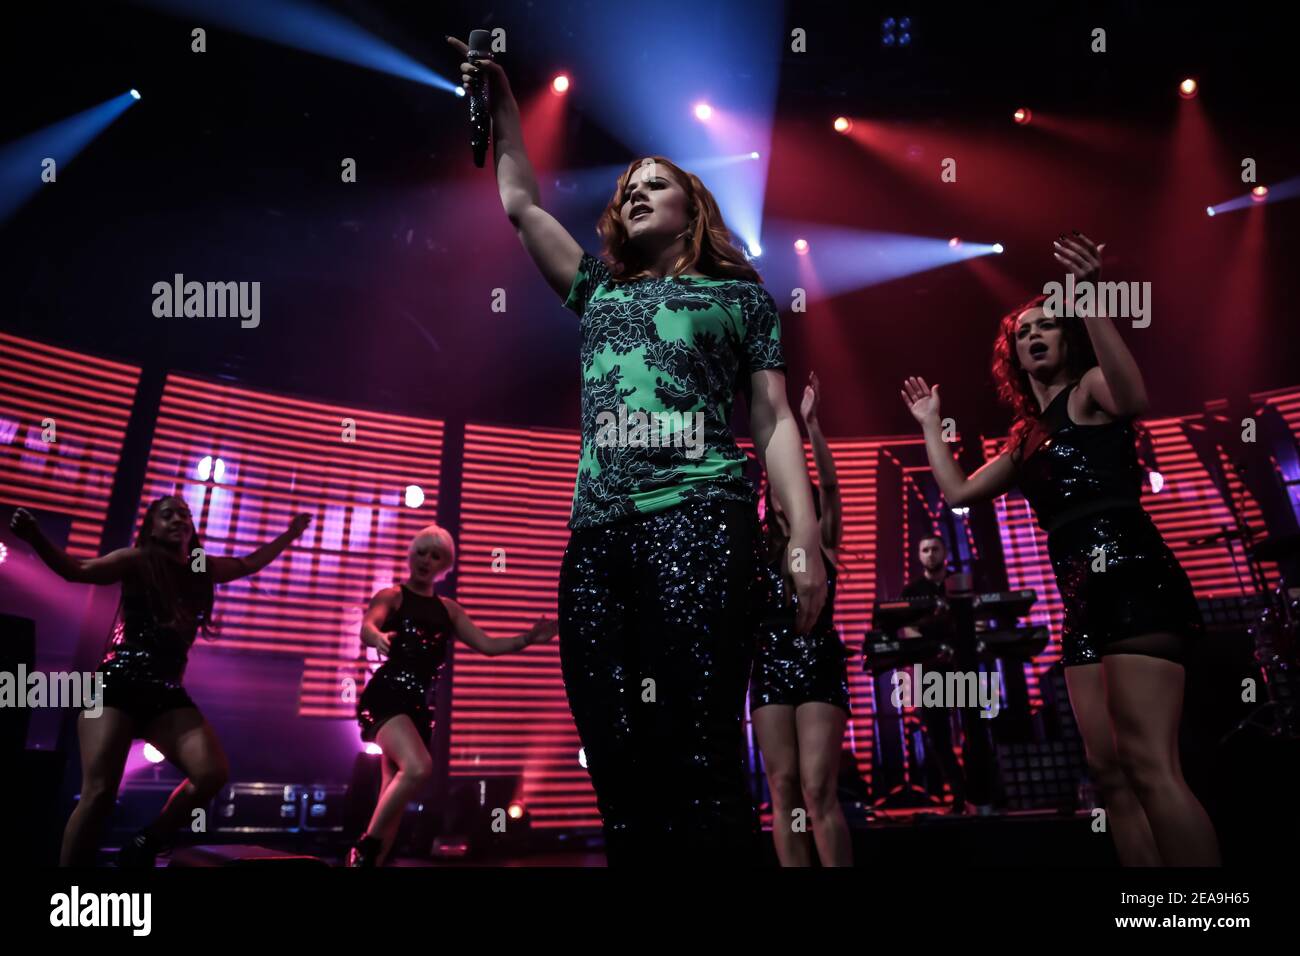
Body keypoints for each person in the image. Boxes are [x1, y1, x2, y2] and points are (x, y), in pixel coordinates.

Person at [448, 36, 826, 865]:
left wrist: (802, 542)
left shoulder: (740, 296)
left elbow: (772, 423)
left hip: (701, 523)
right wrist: (503, 102)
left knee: (700, 755)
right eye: (627, 190)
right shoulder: (598, 288)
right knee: (616, 759)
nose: (636, 194)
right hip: (598, 538)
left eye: (655, 184)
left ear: (693, 208)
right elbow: (520, 202)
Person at [900, 232, 1219, 865]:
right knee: (1110, 775)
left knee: (1152, 767)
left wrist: (1092, 296)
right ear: (1012, 354)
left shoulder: (1092, 389)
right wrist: (933, 426)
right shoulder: (1027, 437)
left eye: (1049, 326)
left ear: (1069, 336)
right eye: (1024, 334)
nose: (1036, 337)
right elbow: (960, 495)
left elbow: (1136, 400)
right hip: (1080, 603)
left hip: (1133, 580)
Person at [10, 496, 310, 866]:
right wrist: (35, 536)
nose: (178, 519)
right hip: (117, 685)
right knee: (100, 793)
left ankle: (145, 844)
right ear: (152, 527)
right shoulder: (137, 559)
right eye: (167, 515)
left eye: (184, 514)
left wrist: (290, 535)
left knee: (211, 774)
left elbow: (249, 563)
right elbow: (78, 570)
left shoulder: (200, 566)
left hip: (165, 691)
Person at [350, 524, 558, 866]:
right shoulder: (392, 596)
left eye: (435, 556)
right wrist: (376, 637)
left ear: (444, 565)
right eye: (421, 552)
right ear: (410, 554)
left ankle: (368, 864)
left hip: (419, 707)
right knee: (418, 768)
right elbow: (368, 626)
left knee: (393, 789)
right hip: (386, 698)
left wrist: (526, 639)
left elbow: (487, 645)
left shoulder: (449, 610)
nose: (426, 561)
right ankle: (366, 847)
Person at [751, 372, 853, 865]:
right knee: (782, 789)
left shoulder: (823, 543)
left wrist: (811, 424)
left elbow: (830, 486)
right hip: (769, 665)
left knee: (817, 789)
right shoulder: (757, 549)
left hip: (818, 662)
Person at [899, 535, 975, 814]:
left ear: (944, 552)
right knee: (939, 736)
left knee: (975, 731)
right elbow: (906, 630)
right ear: (919, 556)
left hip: (964, 666)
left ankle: (980, 794)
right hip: (930, 669)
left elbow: (976, 621)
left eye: (934, 549)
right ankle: (958, 794)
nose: (930, 554)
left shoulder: (961, 583)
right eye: (925, 549)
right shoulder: (912, 590)